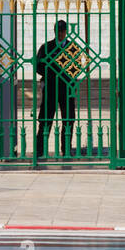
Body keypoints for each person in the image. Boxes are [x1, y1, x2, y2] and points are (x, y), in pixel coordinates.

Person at [34, 20, 78, 158]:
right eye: (58, 31)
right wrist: (51, 74)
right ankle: (40, 150)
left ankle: (66, 149)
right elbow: (38, 66)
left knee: (68, 119)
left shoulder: (72, 47)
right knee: (45, 119)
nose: (60, 34)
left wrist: (67, 76)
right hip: (51, 87)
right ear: (54, 31)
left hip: (66, 88)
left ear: (66, 32)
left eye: (63, 31)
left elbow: (77, 67)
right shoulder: (46, 47)